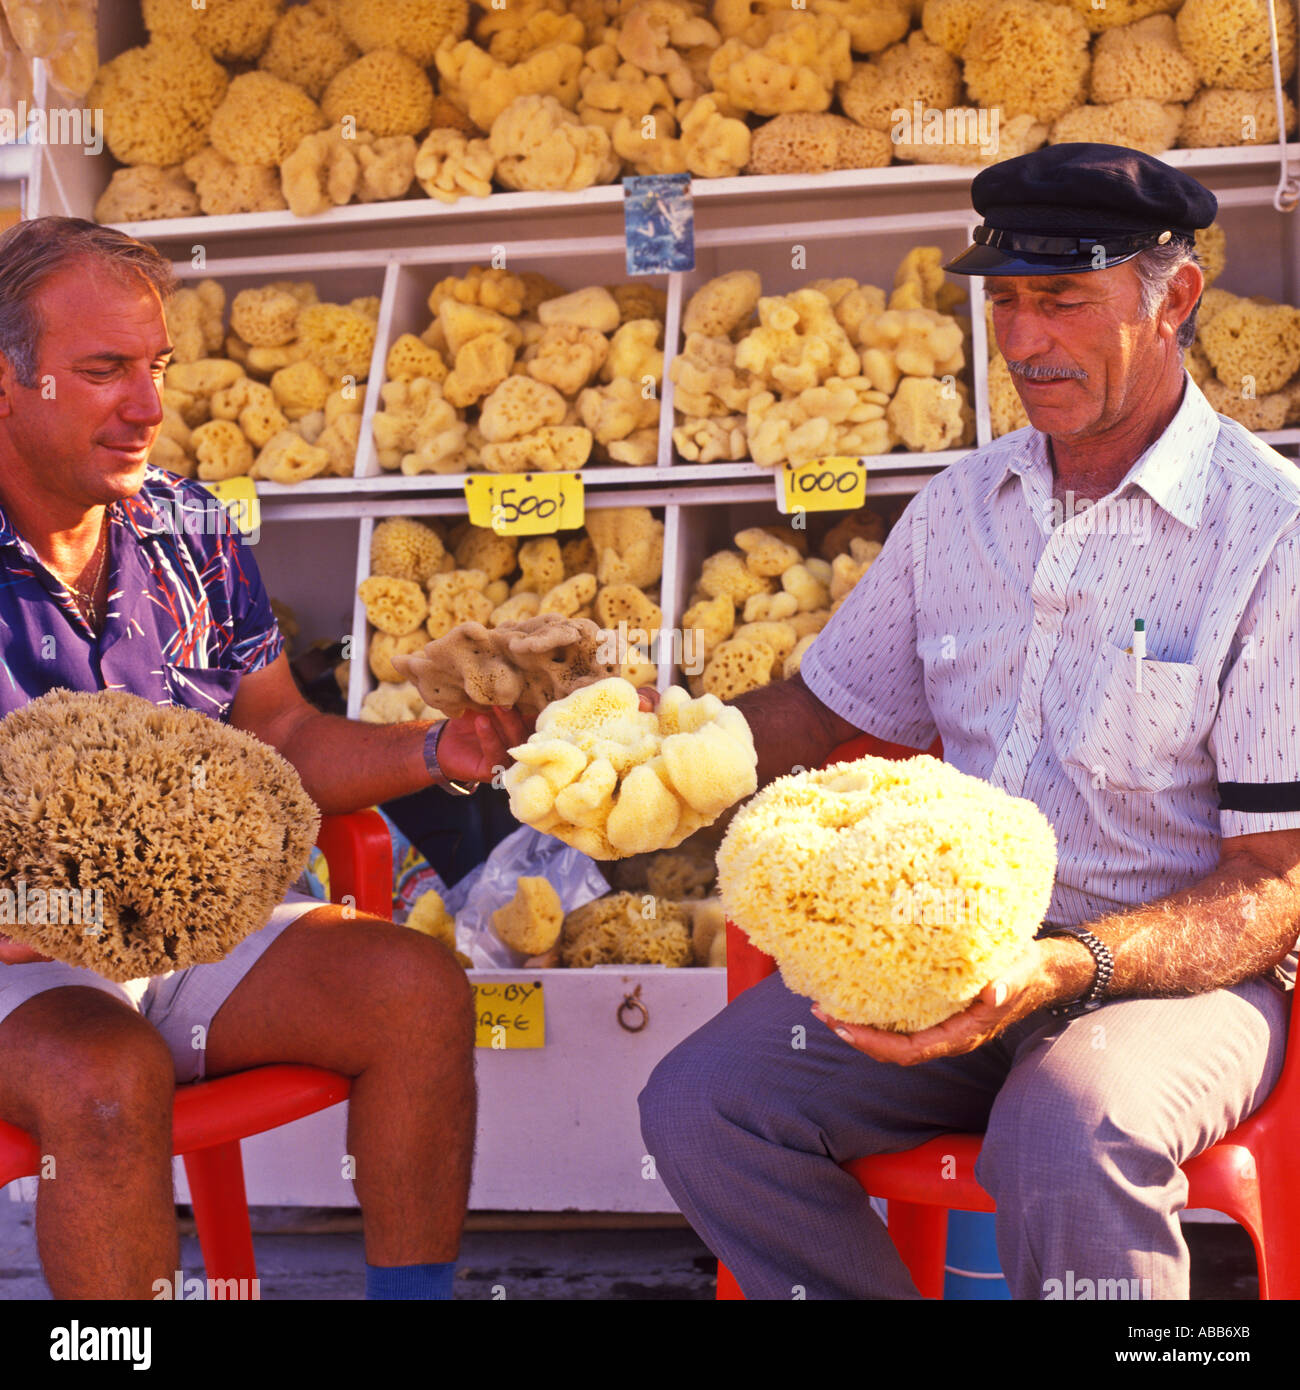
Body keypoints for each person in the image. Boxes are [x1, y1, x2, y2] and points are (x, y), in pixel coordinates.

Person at [639, 144, 1300, 1300]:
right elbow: (823, 707)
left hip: (1172, 979)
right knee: (700, 1106)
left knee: (1070, 1128)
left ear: (1175, 299)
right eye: (1003, 302)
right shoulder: (958, 509)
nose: (1025, 342)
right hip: (945, 966)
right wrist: (649, 752)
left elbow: (1270, 883)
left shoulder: (1269, 536)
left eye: (1062, 300)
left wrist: (1063, 969)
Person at [0, 217, 524, 1300]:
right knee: (106, 1078)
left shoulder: (188, 528)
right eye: (103, 371)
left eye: (156, 369)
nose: (148, 406)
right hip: (16, 972)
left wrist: (441, 748)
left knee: (414, 989)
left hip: (173, 944)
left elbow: (278, 738)